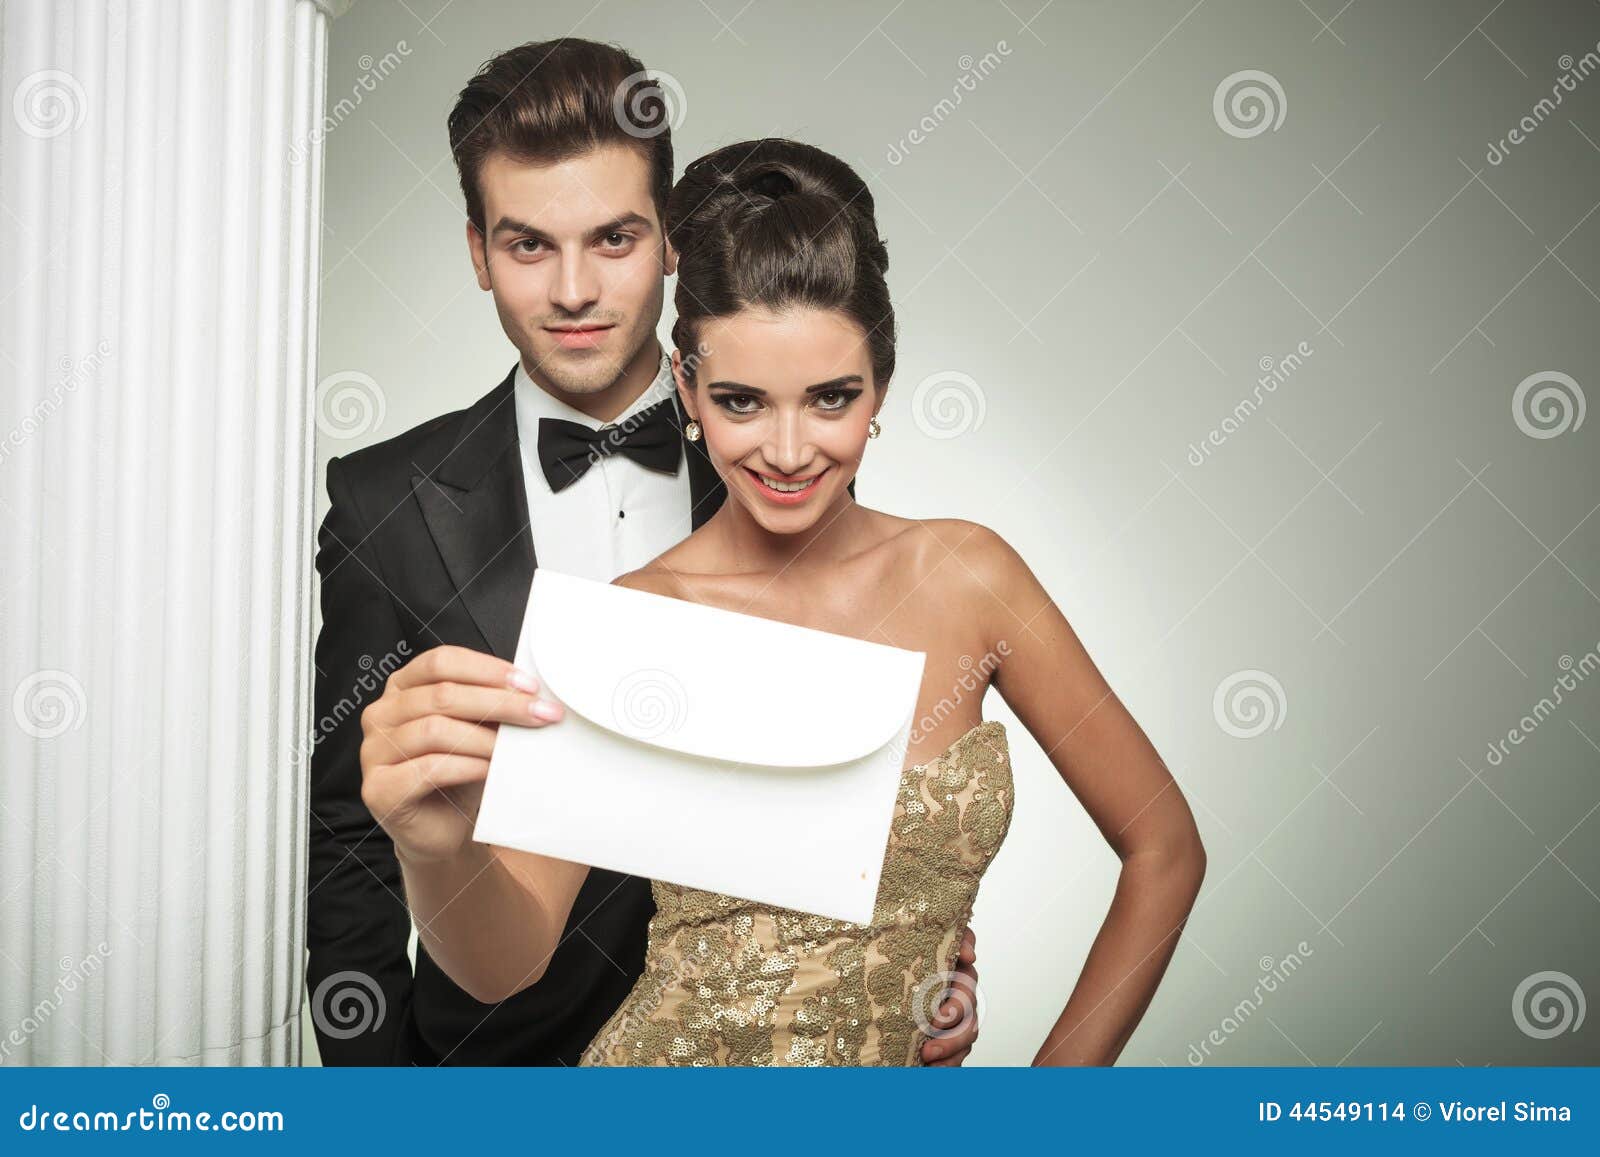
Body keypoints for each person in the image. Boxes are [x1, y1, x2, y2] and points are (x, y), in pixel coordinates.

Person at [361, 137, 1208, 1065]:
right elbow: (505, 965)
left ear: (881, 384)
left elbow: (1164, 848)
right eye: (743, 401)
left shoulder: (969, 575)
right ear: (687, 387)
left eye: (831, 398)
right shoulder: (636, 618)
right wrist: (434, 849)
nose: (791, 450)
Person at [307, 38, 980, 1066]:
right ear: (478, 251)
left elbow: (851, 783)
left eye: (613, 238)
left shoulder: (779, 460)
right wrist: (374, 1105)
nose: (574, 289)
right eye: (528, 245)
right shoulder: (380, 502)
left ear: (669, 238)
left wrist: (920, 963)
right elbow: (350, 836)